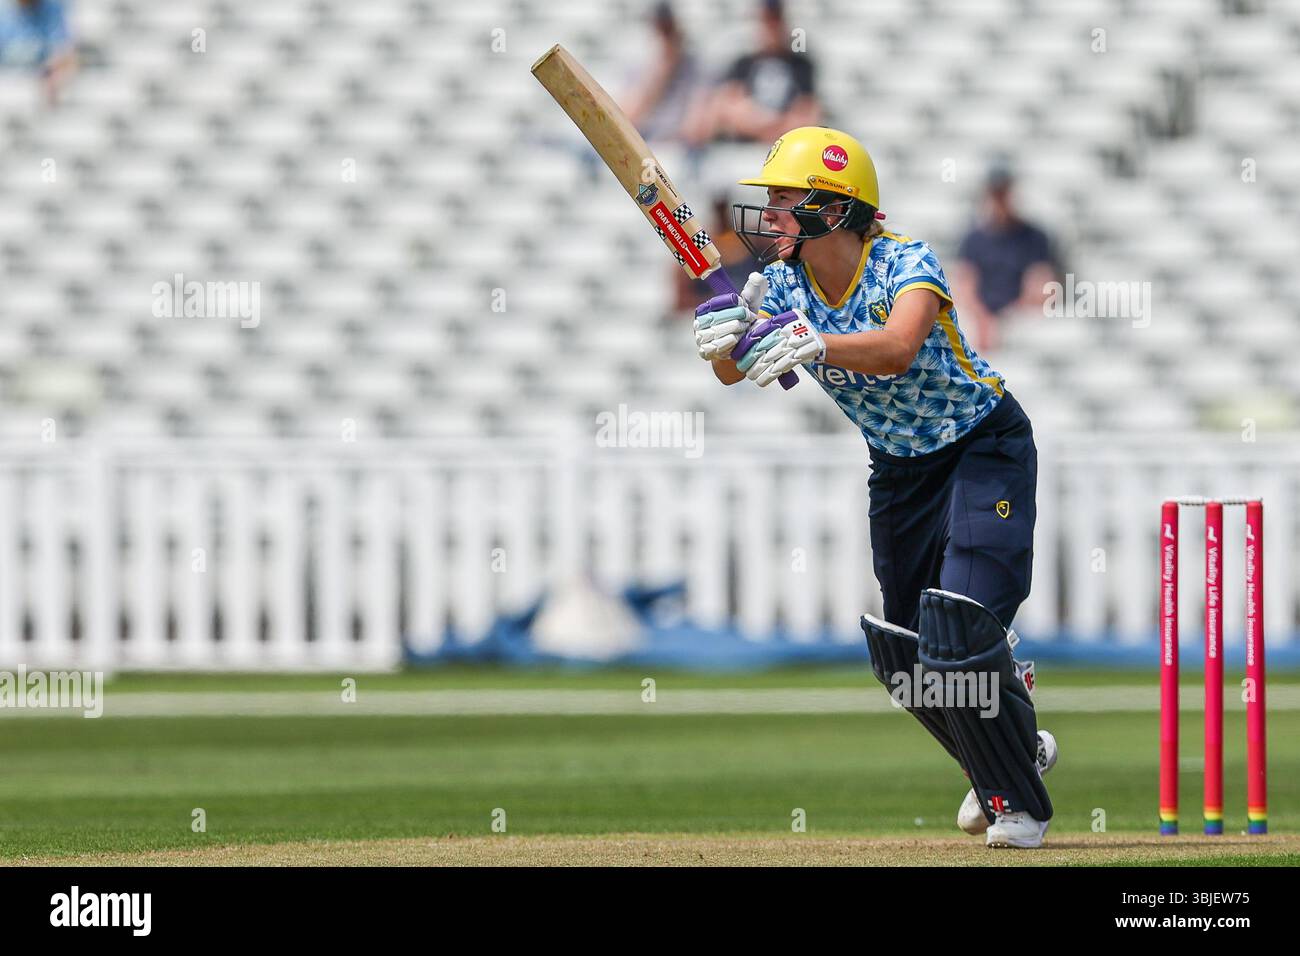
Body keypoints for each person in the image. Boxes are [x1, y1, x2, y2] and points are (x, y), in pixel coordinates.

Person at [693, 126, 1057, 848]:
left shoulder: (905, 263)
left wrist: (817, 342)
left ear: (835, 208)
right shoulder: (786, 282)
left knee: (960, 623)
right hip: (899, 471)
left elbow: (896, 348)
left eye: (785, 200)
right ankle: (1015, 745)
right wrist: (723, 342)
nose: (768, 216)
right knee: (908, 660)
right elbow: (737, 369)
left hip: (983, 445)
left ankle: (1019, 805)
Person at [681, 0, 820, 146]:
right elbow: (728, 106)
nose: (771, 27)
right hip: (747, 145)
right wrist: (765, 124)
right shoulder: (744, 63)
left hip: (784, 144)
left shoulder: (801, 65)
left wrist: (768, 126)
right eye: (766, 21)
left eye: (775, 20)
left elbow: (807, 111)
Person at [951, 166, 1058, 353]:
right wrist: (983, 318)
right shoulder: (974, 239)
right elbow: (964, 286)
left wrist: (1005, 320)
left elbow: (1041, 287)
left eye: (1003, 193)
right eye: (996, 194)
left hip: (1019, 317)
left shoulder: (1034, 237)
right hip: (981, 318)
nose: (1000, 201)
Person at [621, 2, 700, 145]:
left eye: (668, 31)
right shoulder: (638, 65)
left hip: (679, 147)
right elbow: (627, 120)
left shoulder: (695, 68)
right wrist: (660, 74)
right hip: (645, 142)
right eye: (660, 30)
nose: (664, 39)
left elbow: (695, 130)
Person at [0, 0, 76, 105]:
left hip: (40, 84)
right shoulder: (3, 12)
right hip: (7, 85)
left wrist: (53, 74)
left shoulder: (53, 9)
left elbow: (64, 52)